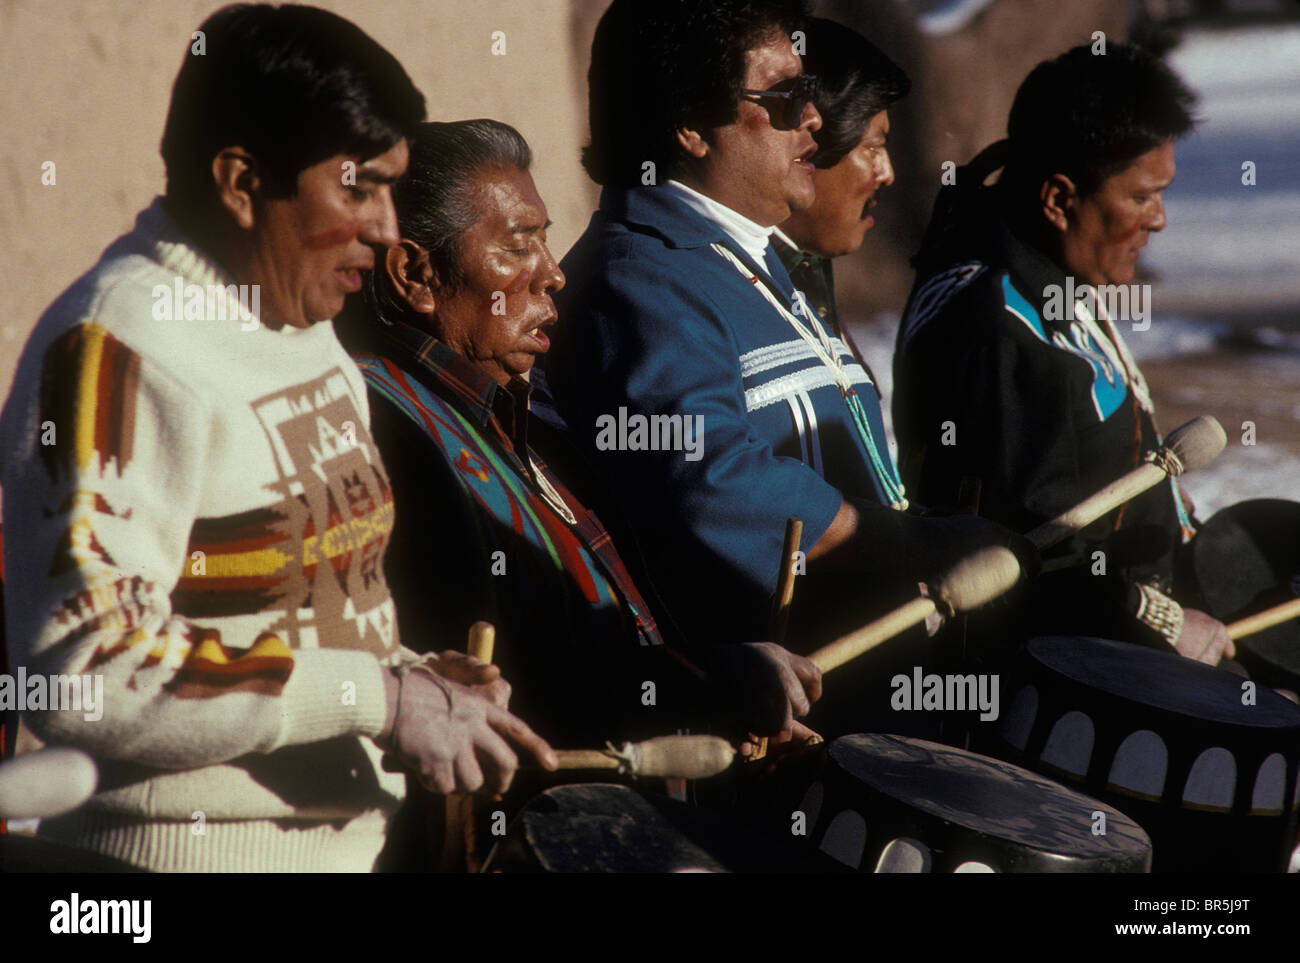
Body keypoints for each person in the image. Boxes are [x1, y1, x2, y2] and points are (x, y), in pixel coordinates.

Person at [0, 3, 554, 873]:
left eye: (391, 189)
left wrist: (416, 678)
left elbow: (288, 622)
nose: (387, 228)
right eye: (358, 189)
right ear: (241, 181)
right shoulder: (116, 348)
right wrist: (379, 696)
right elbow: (86, 665)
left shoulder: (301, 322)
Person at [545, 0, 1030, 692]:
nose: (813, 118)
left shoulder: (751, 262)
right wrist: (906, 541)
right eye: (784, 96)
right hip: (778, 723)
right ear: (690, 124)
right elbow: (712, 478)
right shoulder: (636, 280)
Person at [346, 119, 822, 752]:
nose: (553, 273)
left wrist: (715, 705)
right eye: (518, 246)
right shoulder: (384, 429)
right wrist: (702, 684)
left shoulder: (525, 423)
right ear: (417, 275)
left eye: (545, 242)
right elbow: (510, 684)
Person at [892, 42, 1233, 665]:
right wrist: (1160, 621)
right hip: (1057, 672)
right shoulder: (997, 330)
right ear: (1058, 199)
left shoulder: (1047, 276)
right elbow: (1033, 557)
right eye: (1141, 197)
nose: (1158, 220)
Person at [773, 17, 910, 369]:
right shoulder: (722, 292)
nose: (887, 174)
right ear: (807, 149)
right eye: (873, 147)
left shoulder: (804, 282)